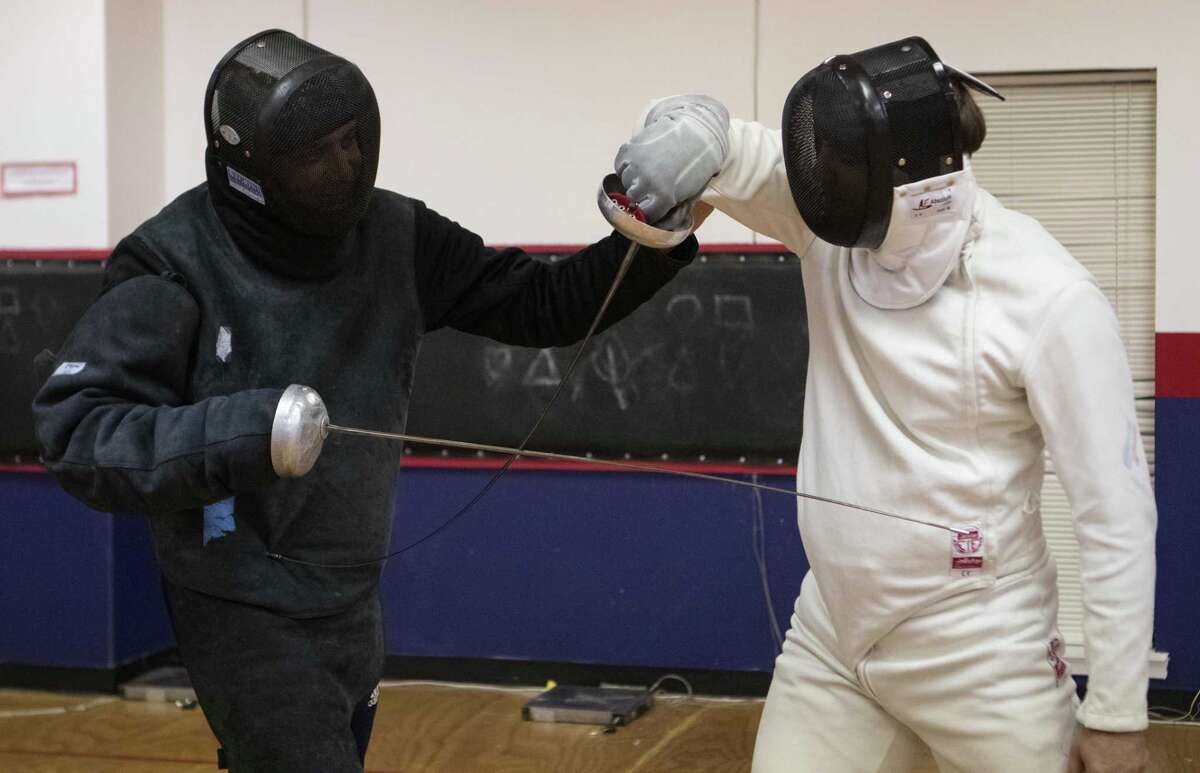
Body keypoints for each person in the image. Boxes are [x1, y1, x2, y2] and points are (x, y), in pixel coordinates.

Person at [32, 29, 696, 773]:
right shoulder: (173, 260)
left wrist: (659, 233)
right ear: (249, 168)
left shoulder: (397, 235)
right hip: (236, 599)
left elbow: (545, 305)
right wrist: (250, 430)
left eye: (352, 141)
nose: (345, 166)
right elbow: (78, 429)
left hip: (350, 595)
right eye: (315, 154)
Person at [614, 36, 1155, 773]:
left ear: (917, 180)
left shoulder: (1051, 297)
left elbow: (1115, 513)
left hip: (983, 654)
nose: (818, 179)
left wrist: (1118, 713)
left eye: (836, 168)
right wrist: (684, 127)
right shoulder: (828, 208)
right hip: (834, 634)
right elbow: (718, 144)